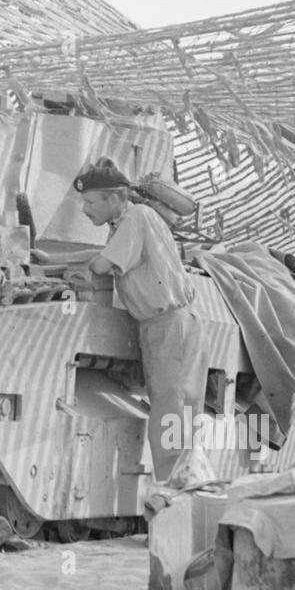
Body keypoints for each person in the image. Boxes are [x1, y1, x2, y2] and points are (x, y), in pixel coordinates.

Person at [70, 158, 208, 483]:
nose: (85, 210)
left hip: (168, 324)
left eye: (91, 201)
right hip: (163, 325)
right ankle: (180, 490)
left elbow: (102, 267)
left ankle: (174, 495)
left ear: (116, 197)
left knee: (170, 415)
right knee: (173, 413)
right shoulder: (125, 223)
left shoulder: (136, 217)